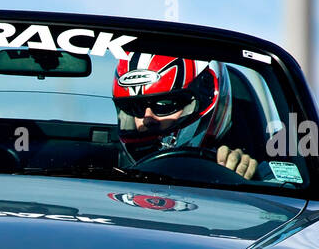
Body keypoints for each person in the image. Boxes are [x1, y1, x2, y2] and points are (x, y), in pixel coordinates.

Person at [111, 54, 259, 179]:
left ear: (203, 99)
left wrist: (238, 173)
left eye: (164, 104)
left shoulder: (233, 166)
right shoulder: (106, 170)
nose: (146, 119)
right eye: (134, 108)